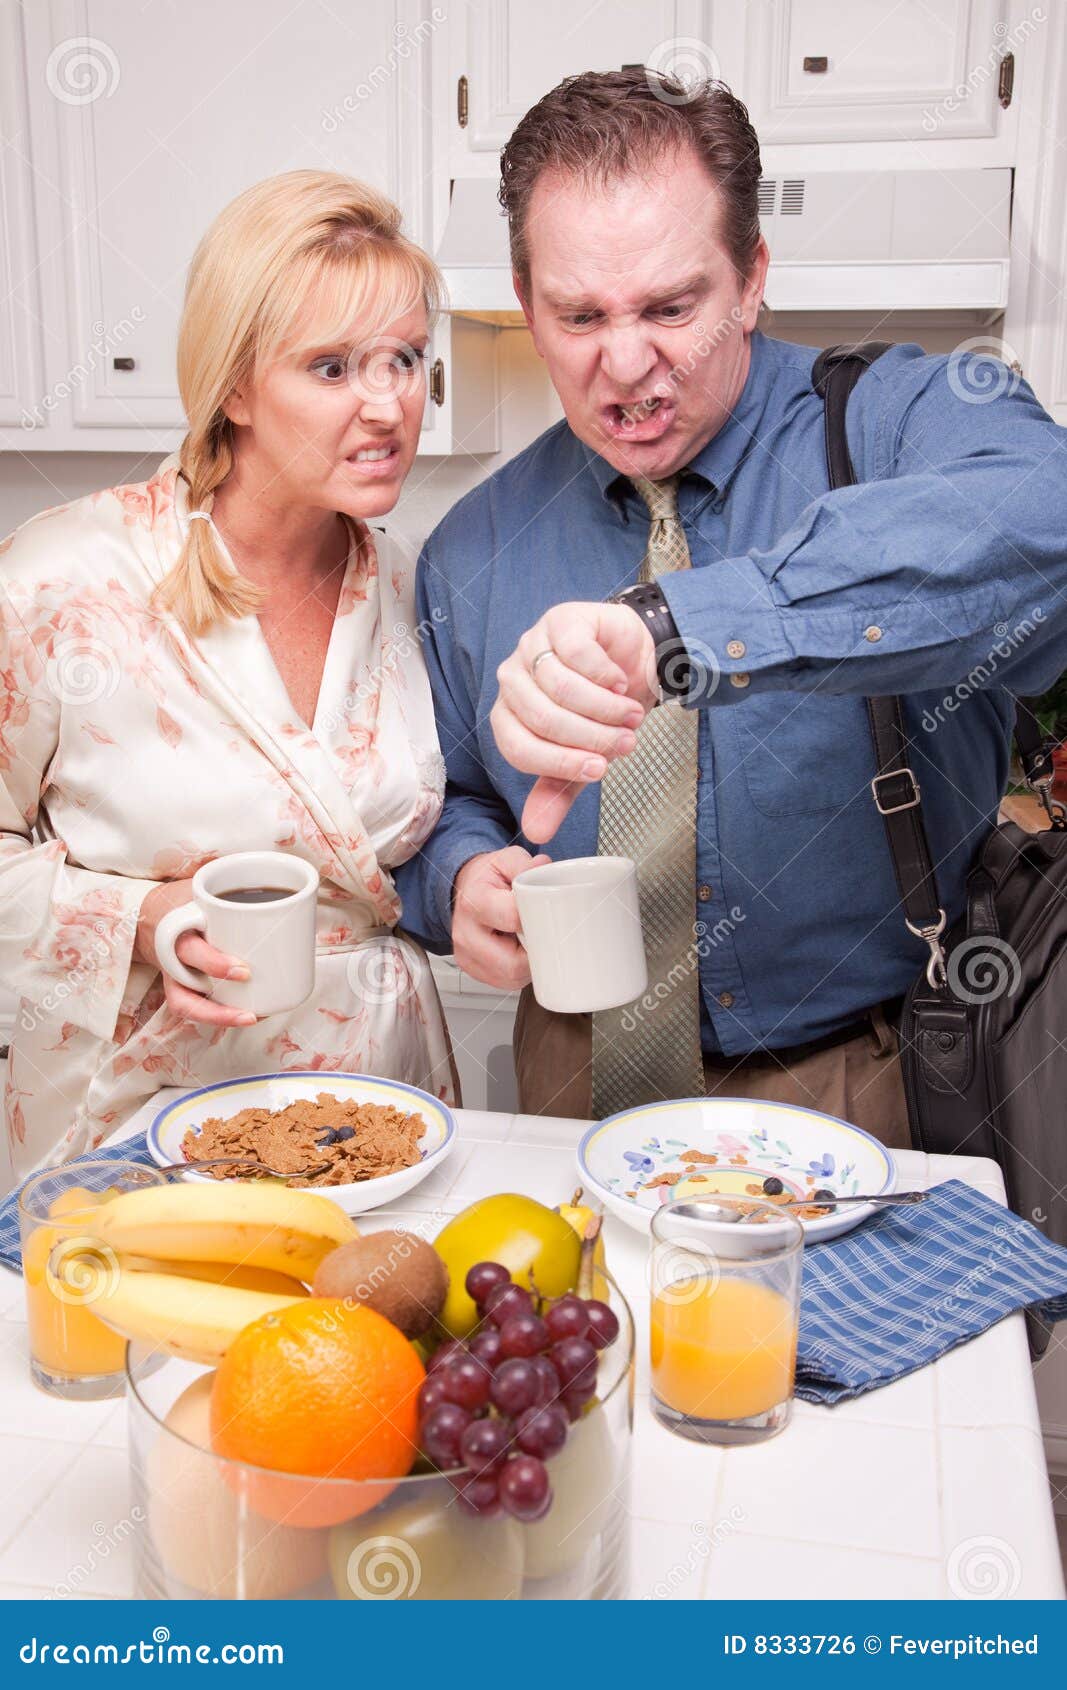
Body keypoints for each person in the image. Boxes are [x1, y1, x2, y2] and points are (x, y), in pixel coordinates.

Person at [393, 70, 1067, 1144]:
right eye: (577, 315)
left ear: (750, 279)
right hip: (568, 1076)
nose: (624, 365)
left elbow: (1044, 522)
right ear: (526, 305)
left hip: (858, 1085)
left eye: (670, 307)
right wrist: (455, 879)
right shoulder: (473, 543)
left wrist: (674, 626)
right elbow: (450, 797)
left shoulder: (892, 423)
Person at [0, 170, 456, 1177]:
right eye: (331, 367)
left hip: (375, 1114)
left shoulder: (415, 585)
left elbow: (413, 844)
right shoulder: (68, 575)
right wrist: (141, 918)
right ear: (235, 387)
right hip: (133, 1118)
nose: (387, 404)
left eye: (406, 359)